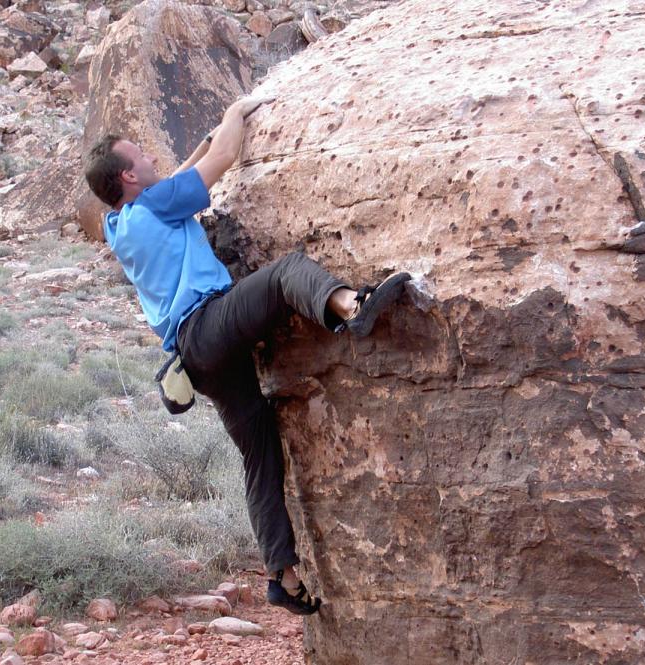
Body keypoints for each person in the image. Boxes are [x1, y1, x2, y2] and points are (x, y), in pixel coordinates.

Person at [84, 95, 409, 615]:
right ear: (127, 177)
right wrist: (235, 113)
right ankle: (352, 307)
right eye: (140, 154)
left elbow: (175, 182)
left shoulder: (118, 225)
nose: (149, 155)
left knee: (260, 453)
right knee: (286, 272)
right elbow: (226, 157)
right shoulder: (153, 204)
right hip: (211, 326)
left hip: (197, 362)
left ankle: (283, 576)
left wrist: (197, 152)